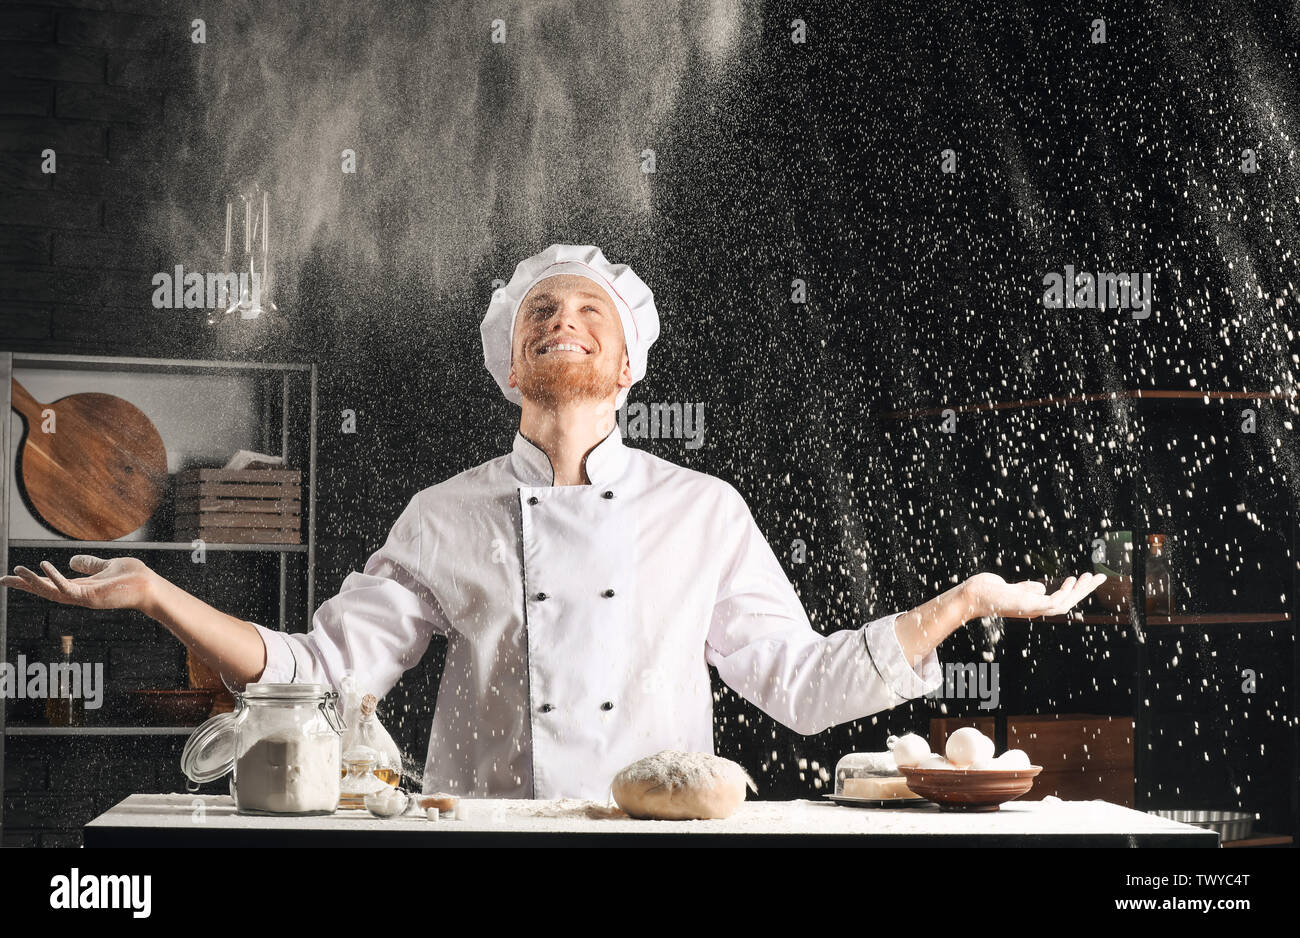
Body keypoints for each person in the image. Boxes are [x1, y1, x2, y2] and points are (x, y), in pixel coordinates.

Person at [2, 244, 1105, 799]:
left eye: (590, 312)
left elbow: (801, 685)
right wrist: (154, 591)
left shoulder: (702, 510)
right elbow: (320, 672)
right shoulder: (443, 514)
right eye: (540, 312)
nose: (562, 321)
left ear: (627, 366)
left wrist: (958, 603)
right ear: (509, 366)